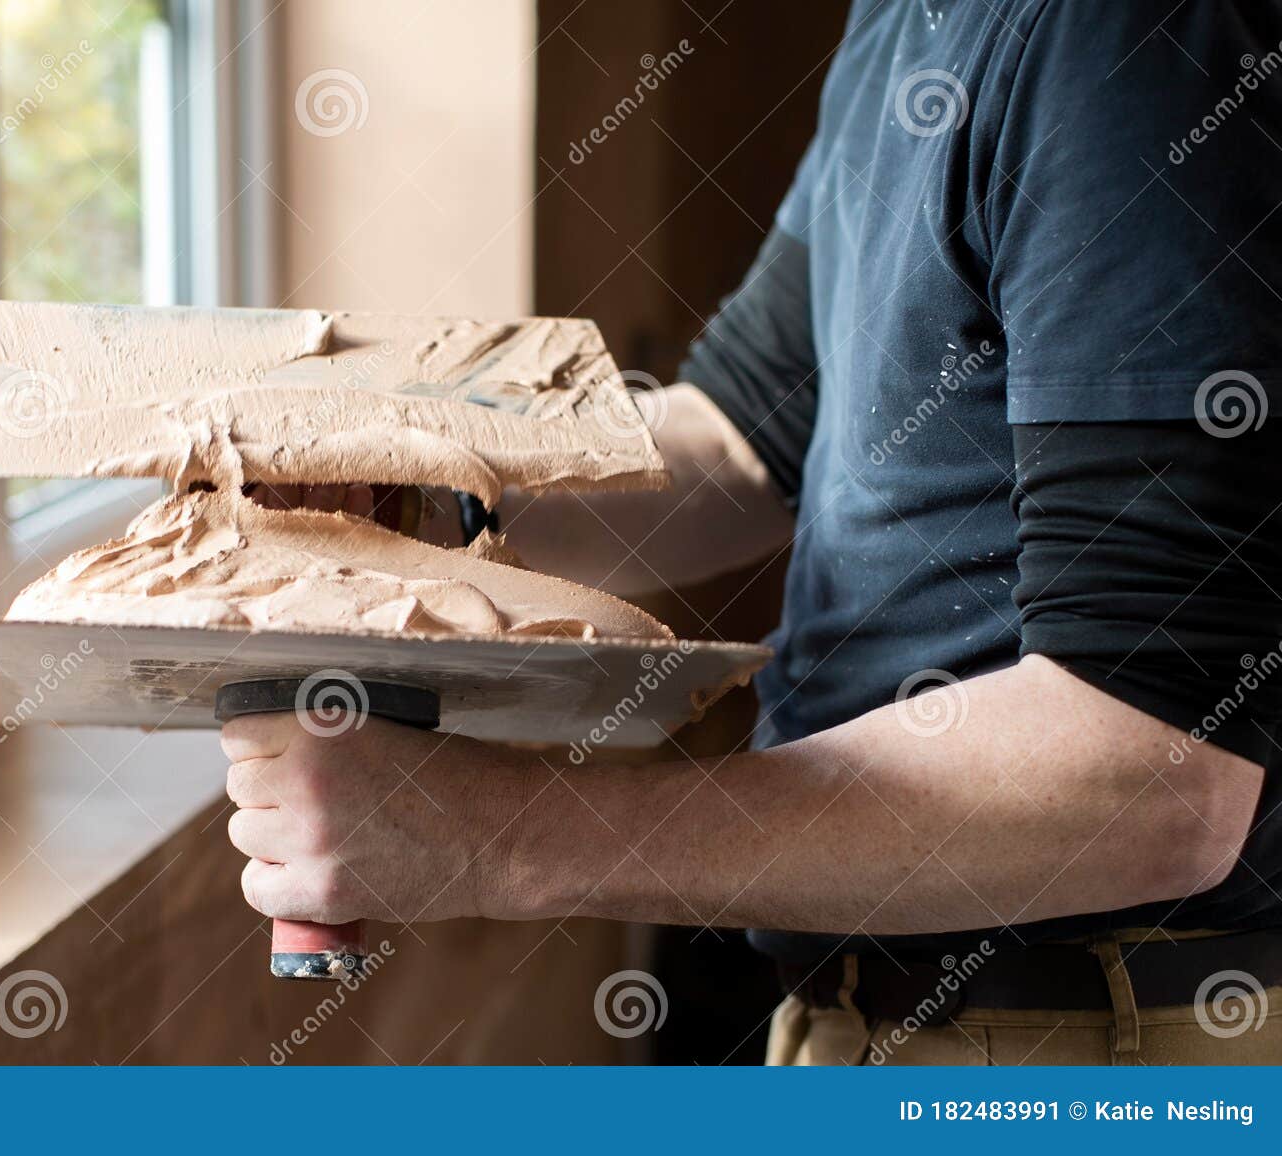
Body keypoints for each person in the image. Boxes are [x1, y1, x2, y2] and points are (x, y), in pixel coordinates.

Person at [223, 0, 1282, 1064]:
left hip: (1110, 1041)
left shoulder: (1116, 37)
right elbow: (738, 437)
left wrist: (493, 837)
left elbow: (1156, 770)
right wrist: (412, 500)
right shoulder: (909, 24)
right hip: (877, 1010)